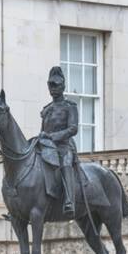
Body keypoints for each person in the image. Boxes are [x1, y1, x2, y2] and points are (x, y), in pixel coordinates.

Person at [36, 65, 82, 219]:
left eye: (55, 85)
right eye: (50, 85)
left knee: (66, 163)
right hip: (46, 146)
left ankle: (69, 201)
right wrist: (41, 136)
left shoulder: (70, 107)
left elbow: (73, 129)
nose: (53, 88)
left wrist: (53, 136)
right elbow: (43, 129)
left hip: (64, 146)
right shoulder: (47, 109)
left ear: (62, 86)